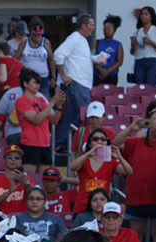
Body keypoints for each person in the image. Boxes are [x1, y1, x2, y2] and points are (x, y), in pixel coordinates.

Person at [114, 108, 156, 242]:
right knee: (136, 235)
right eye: (152, 119)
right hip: (136, 197)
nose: (155, 123)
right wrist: (131, 128)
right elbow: (116, 143)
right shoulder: (135, 142)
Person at [54, 14, 96, 153]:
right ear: (83, 25)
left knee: (72, 116)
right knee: (83, 116)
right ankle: (84, 144)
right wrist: (63, 75)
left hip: (81, 84)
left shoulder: (81, 40)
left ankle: (61, 144)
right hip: (78, 84)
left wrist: (96, 59)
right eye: (91, 24)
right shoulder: (75, 38)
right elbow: (58, 54)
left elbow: (79, 59)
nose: (93, 28)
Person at [14, 68, 65, 173]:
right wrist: (52, 102)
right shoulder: (21, 101)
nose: (38, 85)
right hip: (30, 144)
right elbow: (36, 119)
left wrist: (59, 106)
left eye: (38, 83)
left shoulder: (41, 100)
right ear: (25, 84)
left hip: (45, 144)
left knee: (44, 179)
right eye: (34, 82)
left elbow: (54, 120)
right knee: (29, 178)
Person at [70, 129, 132, 213]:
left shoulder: (112, 162)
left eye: (103, 139)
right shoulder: (84, 160)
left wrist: (120, 157)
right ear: (90, 144)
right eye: (95, 139)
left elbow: (129, 171)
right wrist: (88, 153)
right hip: (82, 207)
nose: (99, 141)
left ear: (107, 143)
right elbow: (73, 167)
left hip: (103, 209)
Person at [0, 144, 32, 215]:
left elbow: (37, 197)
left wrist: (26, 183)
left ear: (21, 161)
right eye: (9, 157)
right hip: (1, 219)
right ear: (3, 160)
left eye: (17, 157)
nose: (13, 159)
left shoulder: (27, 180)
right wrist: (9, 191)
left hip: (22, 219)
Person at [14, 18, 56, 93]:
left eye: (39, 35)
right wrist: (21, 69)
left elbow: (51, 60)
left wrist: (53, 77)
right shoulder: (24, 42)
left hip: (43, 77)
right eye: (35, 35)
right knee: (28, 97)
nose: (37, 38)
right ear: (30, 32)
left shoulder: (46, 42)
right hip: (28, 78)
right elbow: (15, 59)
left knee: (44, 98)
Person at [130, 6, 156, 87]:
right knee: (140, 87)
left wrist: (151, 42)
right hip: (139, 61)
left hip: (153, 61)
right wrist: (134, 46)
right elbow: (132, 52)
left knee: (150, 87)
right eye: (142, 14)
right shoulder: (137, 32)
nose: (143, 16)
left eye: (146, 14)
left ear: (151, 16)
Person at [0, 43, 22, 116]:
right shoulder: (19, 63)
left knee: (0, 118)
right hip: (17, 95)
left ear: (0, 52)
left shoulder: (2, 61)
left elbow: (2, 79)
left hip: (4, 94)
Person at [93, 15, 124, 86]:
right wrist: (100, 70)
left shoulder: (118, 44)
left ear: (114, 30)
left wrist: (107, 71)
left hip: (111, 76)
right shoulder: (96, 43)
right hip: (97, 76)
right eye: (105, 29)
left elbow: (119, 61)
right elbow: (91, 57)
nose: (106, 31)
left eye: (109, 29)